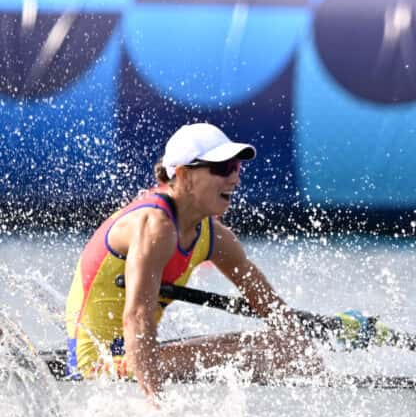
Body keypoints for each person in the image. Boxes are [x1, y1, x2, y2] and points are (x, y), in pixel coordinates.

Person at [64, 122, 317, 398]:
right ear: (184, 175)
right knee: (273, 355)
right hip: (96, 365)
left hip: (132, 351)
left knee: (280, 347)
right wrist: (155, 405)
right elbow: (137, 316)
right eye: (223, 168)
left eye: (236, 168)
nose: (235, 179)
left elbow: (268, 304)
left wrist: (300, 344)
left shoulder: (212, 235)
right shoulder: (155, 226)